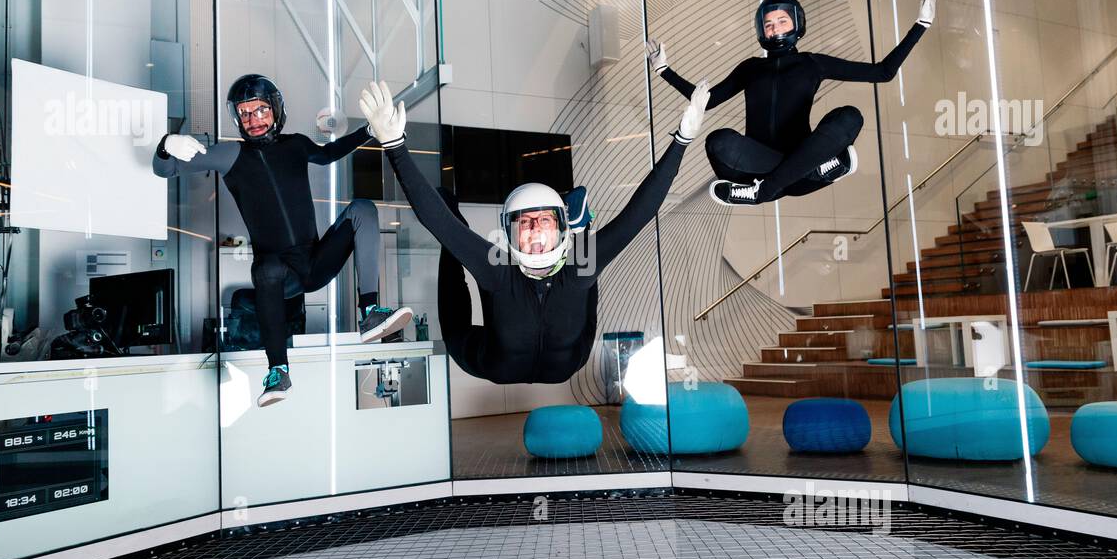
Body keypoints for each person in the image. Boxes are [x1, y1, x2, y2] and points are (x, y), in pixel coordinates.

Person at [357, 79, 709, 385]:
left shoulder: (577, 269)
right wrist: (394, 146)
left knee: (587, 265)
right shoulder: (498, 271)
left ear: (558, 230)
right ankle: (575, 226)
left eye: (544, 221)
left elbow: (639, 213)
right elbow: (436, 222)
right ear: (511, 234)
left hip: (567, 360)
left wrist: (681, 141)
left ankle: (581, 228)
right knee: (453, 244)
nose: (535, 229)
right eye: (525, 223)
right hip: (491, 362)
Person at [153, 73, 412, 407]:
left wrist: (368, 131)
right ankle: (278, 370)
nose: (253, 119)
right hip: (279, 274)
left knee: (363, 208)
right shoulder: (229, 155)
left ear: (275, 110)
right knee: (264, 269)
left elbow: (329, 153)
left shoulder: (295, 145)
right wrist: (165, 144)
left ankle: (371, 312)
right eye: (245, 113)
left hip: (316, 260)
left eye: (260, 110)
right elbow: (164, 170)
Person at [646, 0, 938, 206]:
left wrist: (921, 24)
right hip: (771, 168)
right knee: (718, 141)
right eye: (769, 24)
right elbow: (705, 102)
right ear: (762, 31)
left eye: (782, 21)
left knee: (850, 116)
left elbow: (883, 72)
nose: (774, 29)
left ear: (797, 24)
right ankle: (805, 174)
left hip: (800, 160)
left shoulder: (812, 63)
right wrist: (663, 70)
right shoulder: (750, 67)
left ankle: (763, 192)